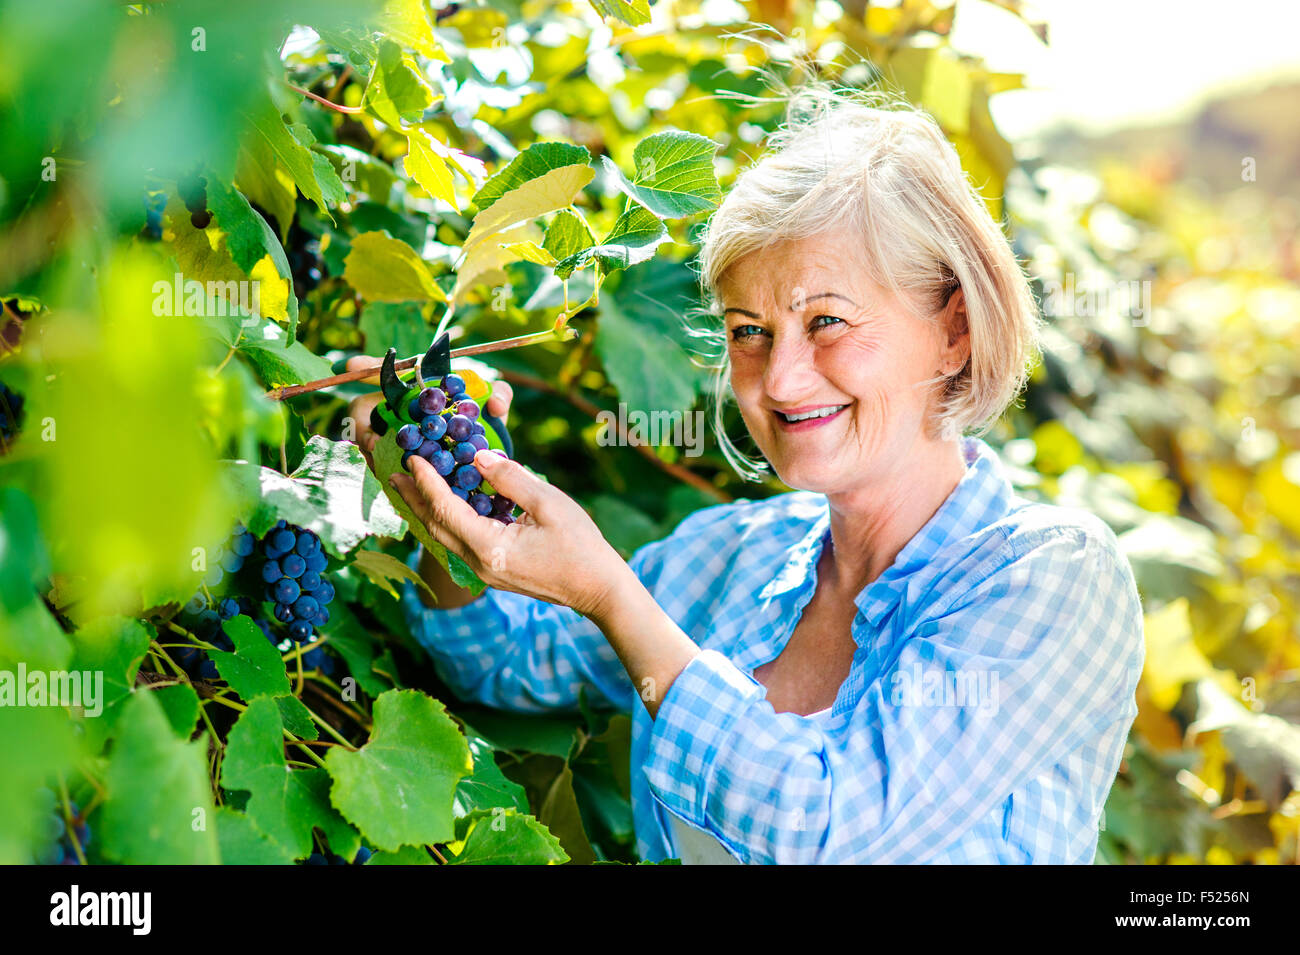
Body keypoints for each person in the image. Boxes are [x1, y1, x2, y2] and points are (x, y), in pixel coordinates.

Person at [348, 88, 1145, 864]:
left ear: (954, 332)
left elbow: (830, 829)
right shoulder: (729, 556)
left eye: (827, 320)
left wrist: (615, 600)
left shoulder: (1053, 576)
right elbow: (496, 661)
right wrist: (445, 502)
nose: (782, 379)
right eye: (749, 331)